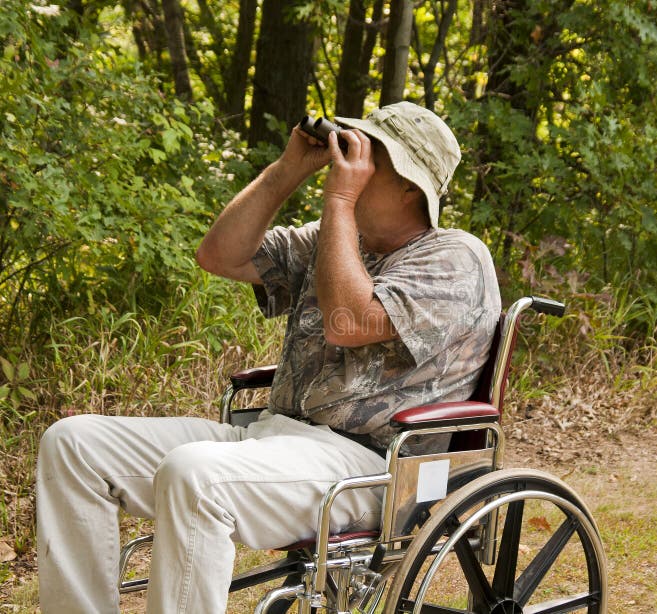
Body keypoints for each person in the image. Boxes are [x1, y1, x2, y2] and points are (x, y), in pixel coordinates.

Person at [36, 101, 501, 613]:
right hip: (273, 437)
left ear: (411, 185)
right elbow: (220, 255)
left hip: (371, 467)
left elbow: (347, 323)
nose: (353, 163)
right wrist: (288, 171)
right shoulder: (336, 241)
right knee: (73, 445)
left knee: (196, 475)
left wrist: (341, 198)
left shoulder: (456, 257)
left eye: (372, 157)